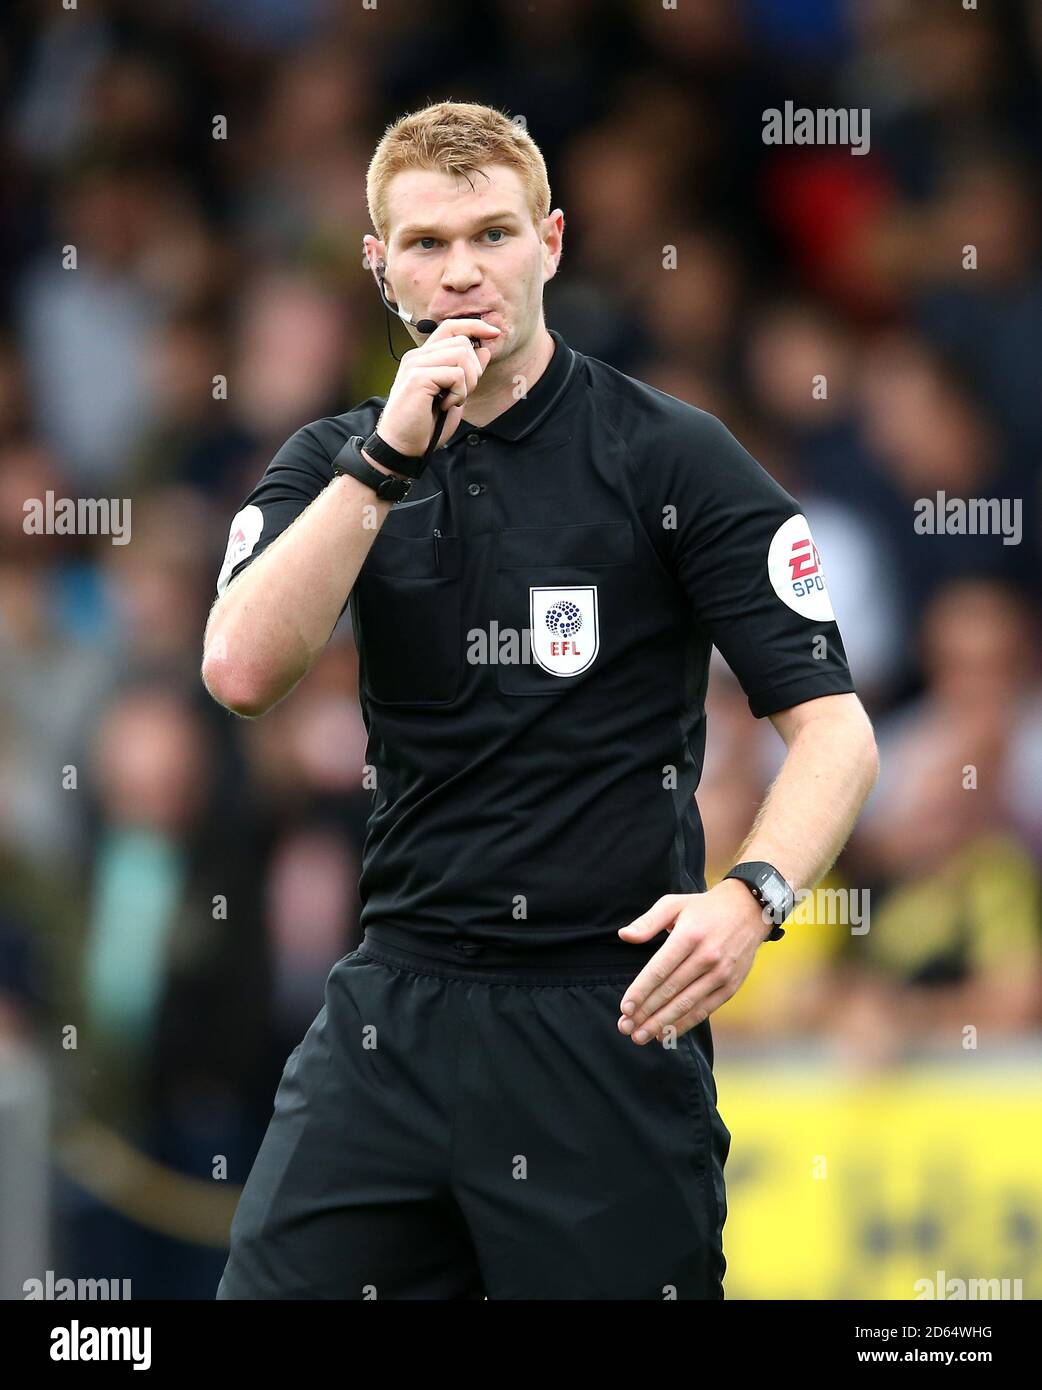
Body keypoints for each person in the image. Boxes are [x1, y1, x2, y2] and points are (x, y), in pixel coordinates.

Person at [203, 101, 879, 1300]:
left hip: (603, 1010)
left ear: (551, 242)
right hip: (393, 1005)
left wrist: (751, 897)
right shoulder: (334, 462)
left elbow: (834, 731)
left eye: (492, 233)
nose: (460, 271)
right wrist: (386, 460)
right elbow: (242, 673)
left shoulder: (670, 454)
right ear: (378, 266)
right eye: (422, 243)